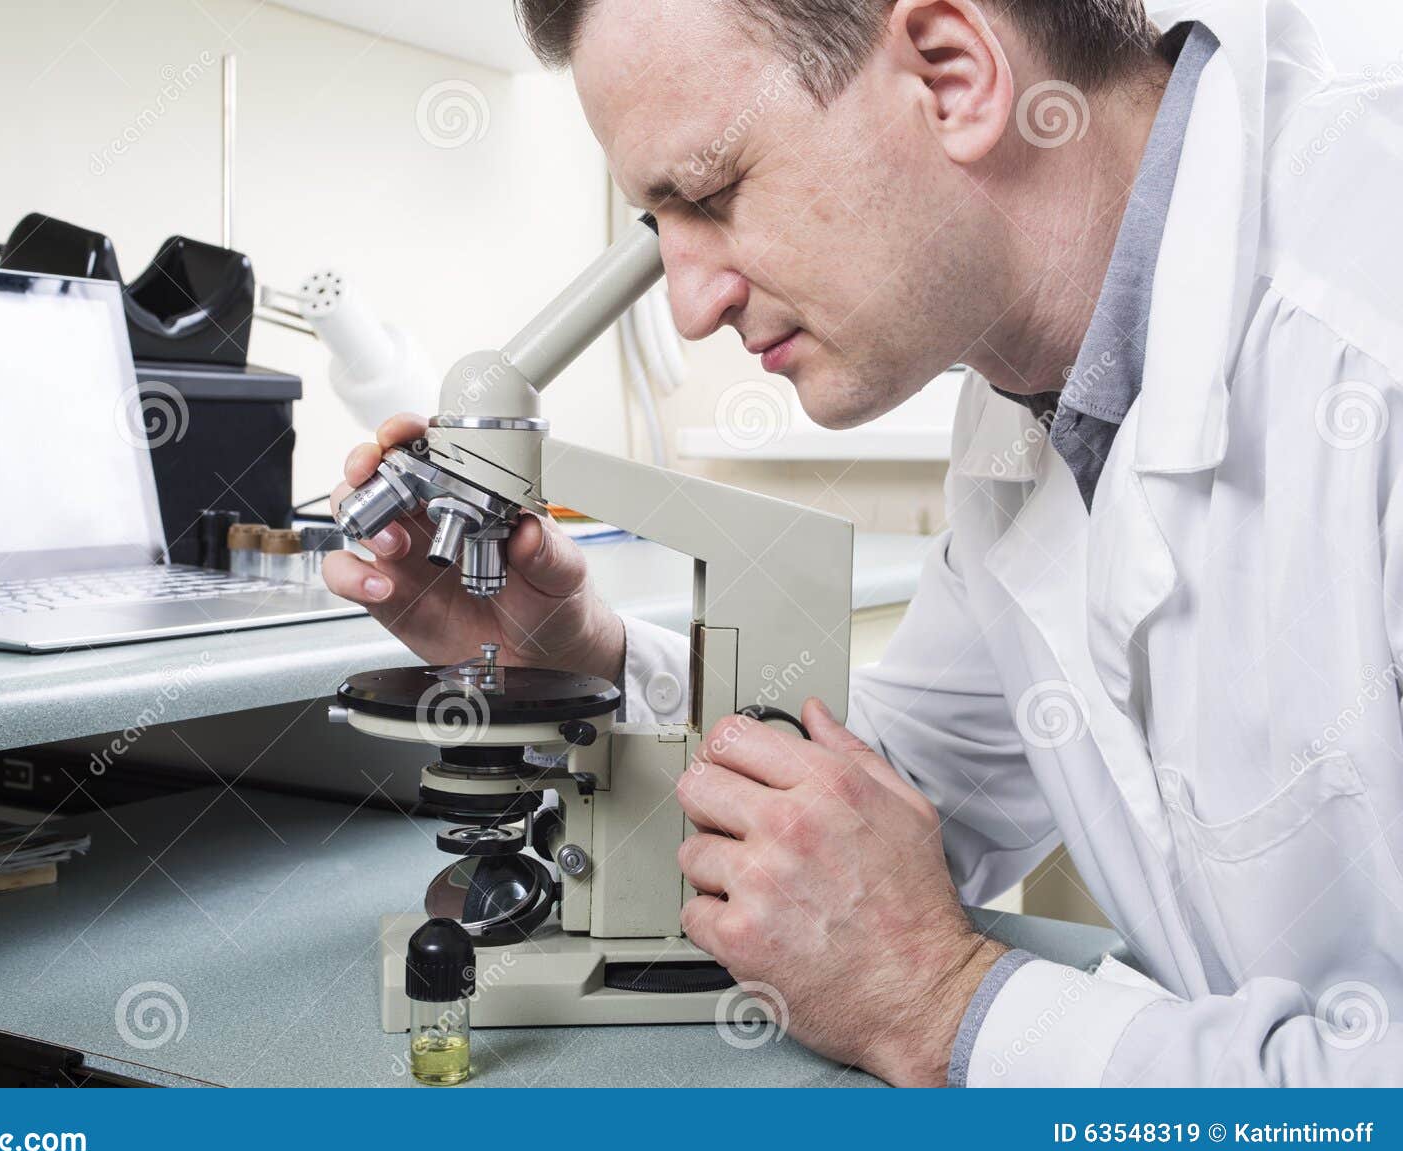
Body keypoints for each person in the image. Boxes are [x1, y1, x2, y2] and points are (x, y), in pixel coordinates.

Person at [325, 0, 1403, 1086]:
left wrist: (941, 1001)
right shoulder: (1030, 405)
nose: (691, 306)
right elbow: (898, 798)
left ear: (952, 74)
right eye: (664, 228)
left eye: (709, 194)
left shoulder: (1370, 322)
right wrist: (583, 654)